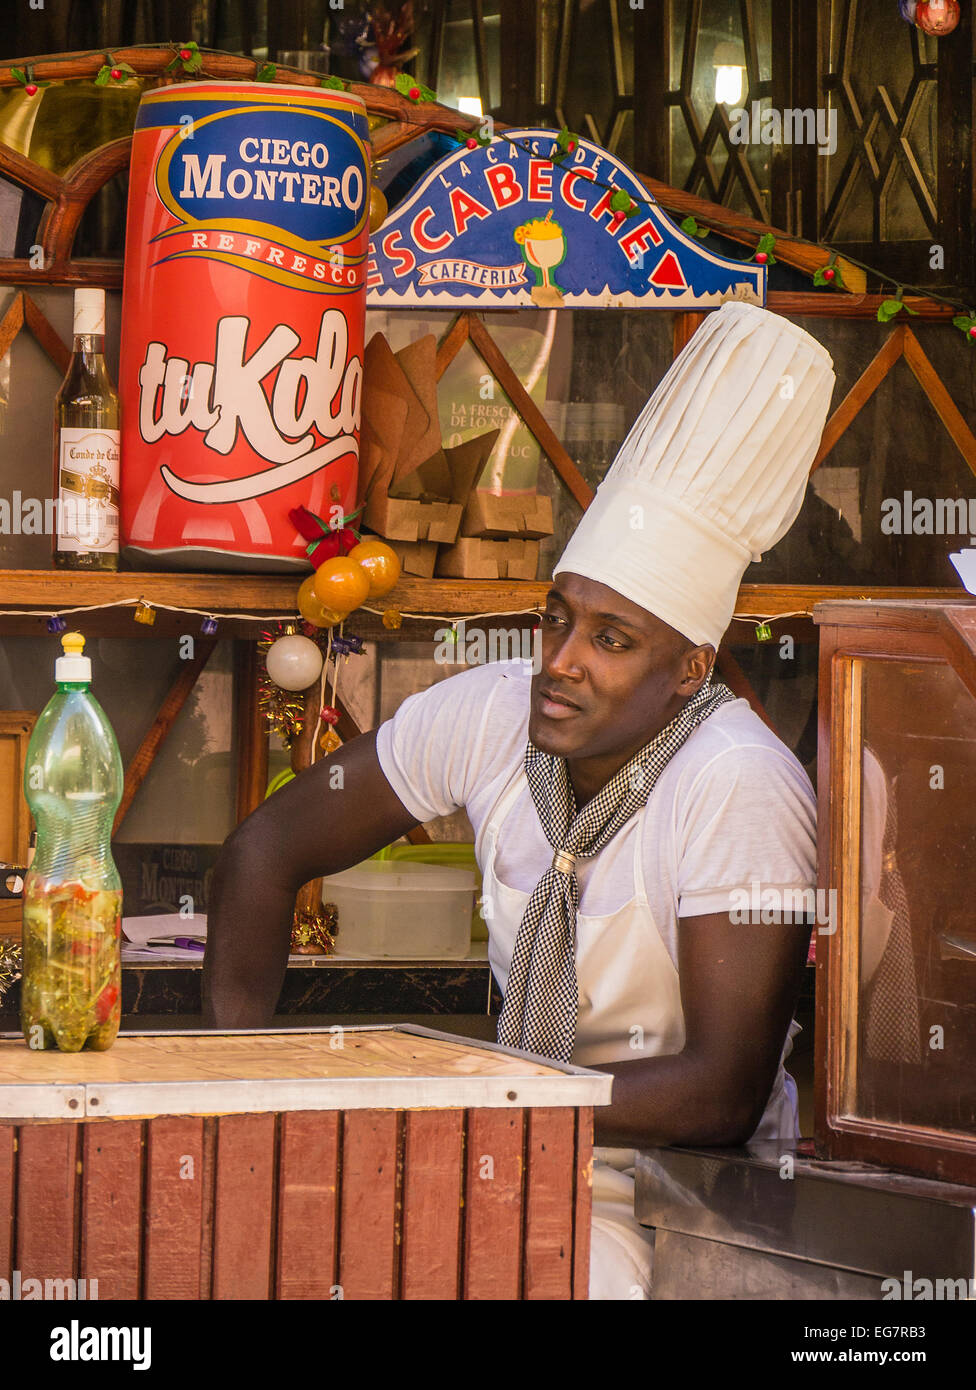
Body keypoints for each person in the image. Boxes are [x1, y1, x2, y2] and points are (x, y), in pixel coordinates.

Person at [202, 301, 836, 1298]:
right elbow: (263, 849)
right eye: (557, 620)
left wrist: (480, 1097)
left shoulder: (735, 783)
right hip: (511, 1151)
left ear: (687, 669)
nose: (562, 664)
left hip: (686, 1199)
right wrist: (239, 1108)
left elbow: (719, 1090)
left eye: (613, 641)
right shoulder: (493, 711)